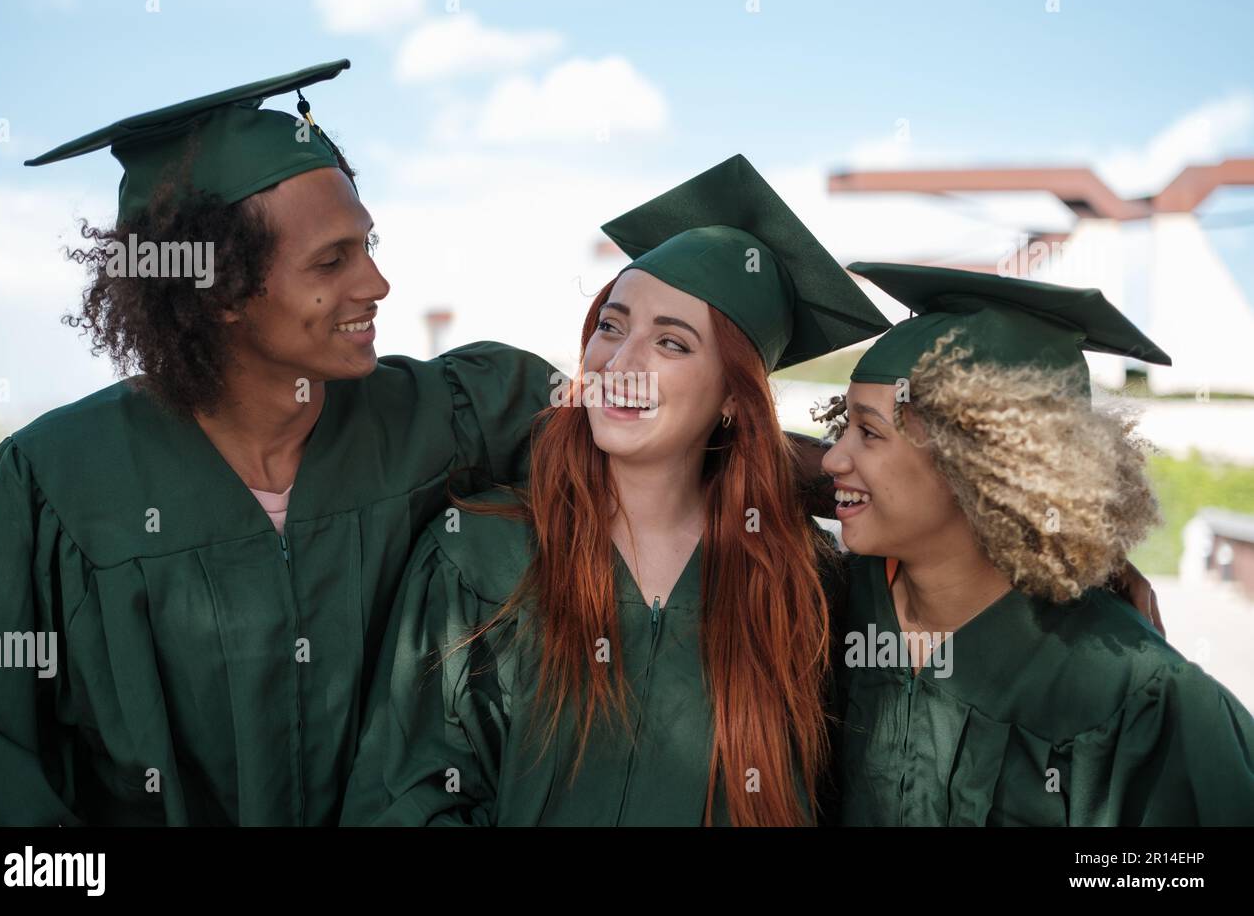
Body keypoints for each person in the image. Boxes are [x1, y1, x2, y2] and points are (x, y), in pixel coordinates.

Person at [0, 61, 557, 825]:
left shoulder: (448, 417)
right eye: (331, 260)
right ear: (222, 290)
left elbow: (647, 451)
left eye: (367, 245)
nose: (377, 284)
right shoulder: (53, 488)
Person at [339, 154, 892, 826]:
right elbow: (411, 798)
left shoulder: (801, 580)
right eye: (612, 325)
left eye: (672, 344)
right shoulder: (479, 556)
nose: (620, 363)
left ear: (730, 399)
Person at [819, 261, 1254, 825]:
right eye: (840, 426)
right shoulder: (826, 604)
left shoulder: (1136, 691)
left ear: (978, 465)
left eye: (868, 432)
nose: (832, 457)